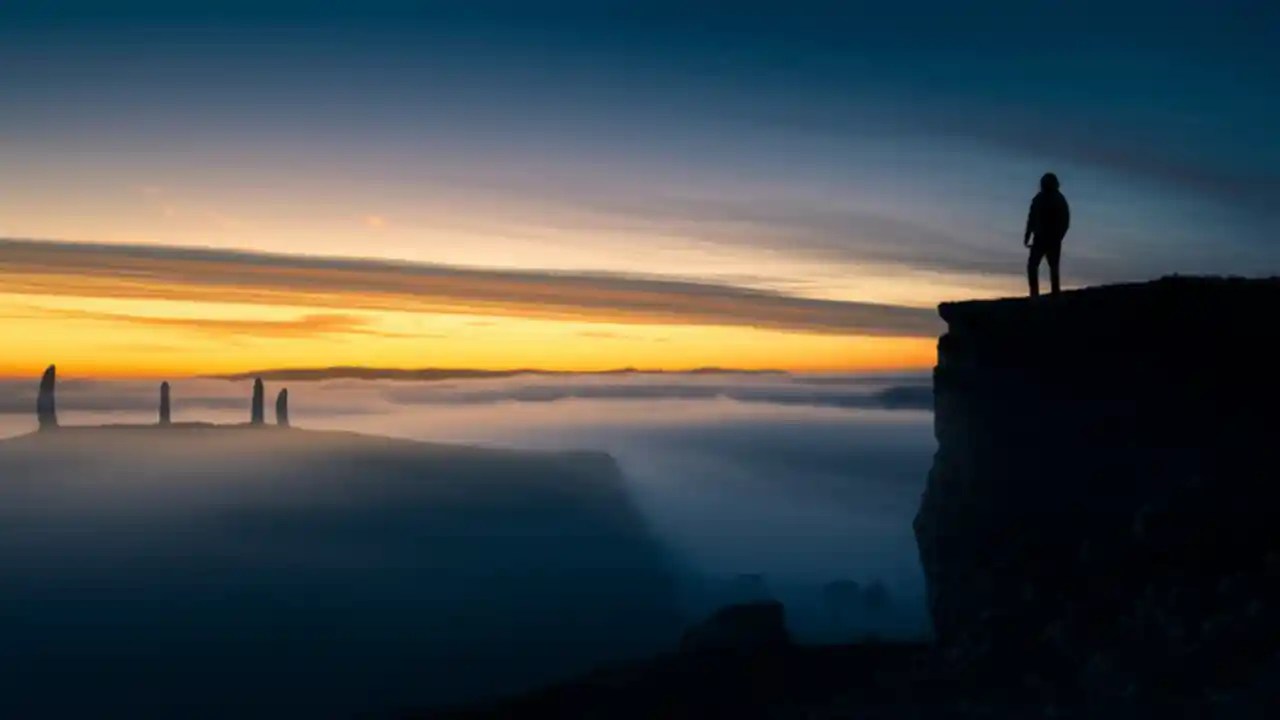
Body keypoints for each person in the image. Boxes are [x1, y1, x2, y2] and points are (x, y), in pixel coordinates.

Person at [1024, 172, 1070, 297]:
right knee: (1034, 266)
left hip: (1051, 239)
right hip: (1040, 238)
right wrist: (1027, 235)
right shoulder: (1039, 199)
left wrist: (1059, 236)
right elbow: (1031, 218)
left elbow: (1065, 220)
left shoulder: (1058, 199)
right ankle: (1036, 294)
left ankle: (1053, 294)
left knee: (1052, 267)